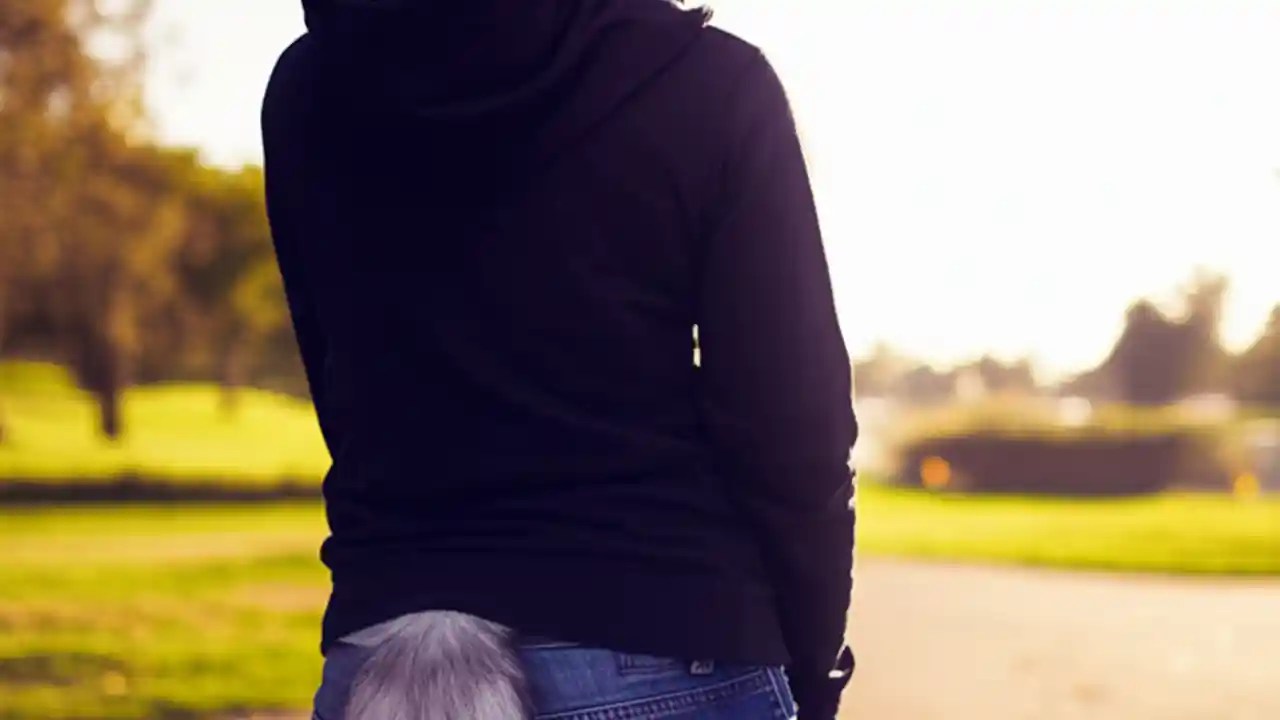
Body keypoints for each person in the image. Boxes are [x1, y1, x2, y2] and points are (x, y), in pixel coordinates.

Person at [262, 0, 857, 718]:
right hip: (669, 635)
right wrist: (815, 666)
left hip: (391, 663)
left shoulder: (308, 85)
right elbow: (793, 428)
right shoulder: (710, 82)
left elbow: (341, 392)